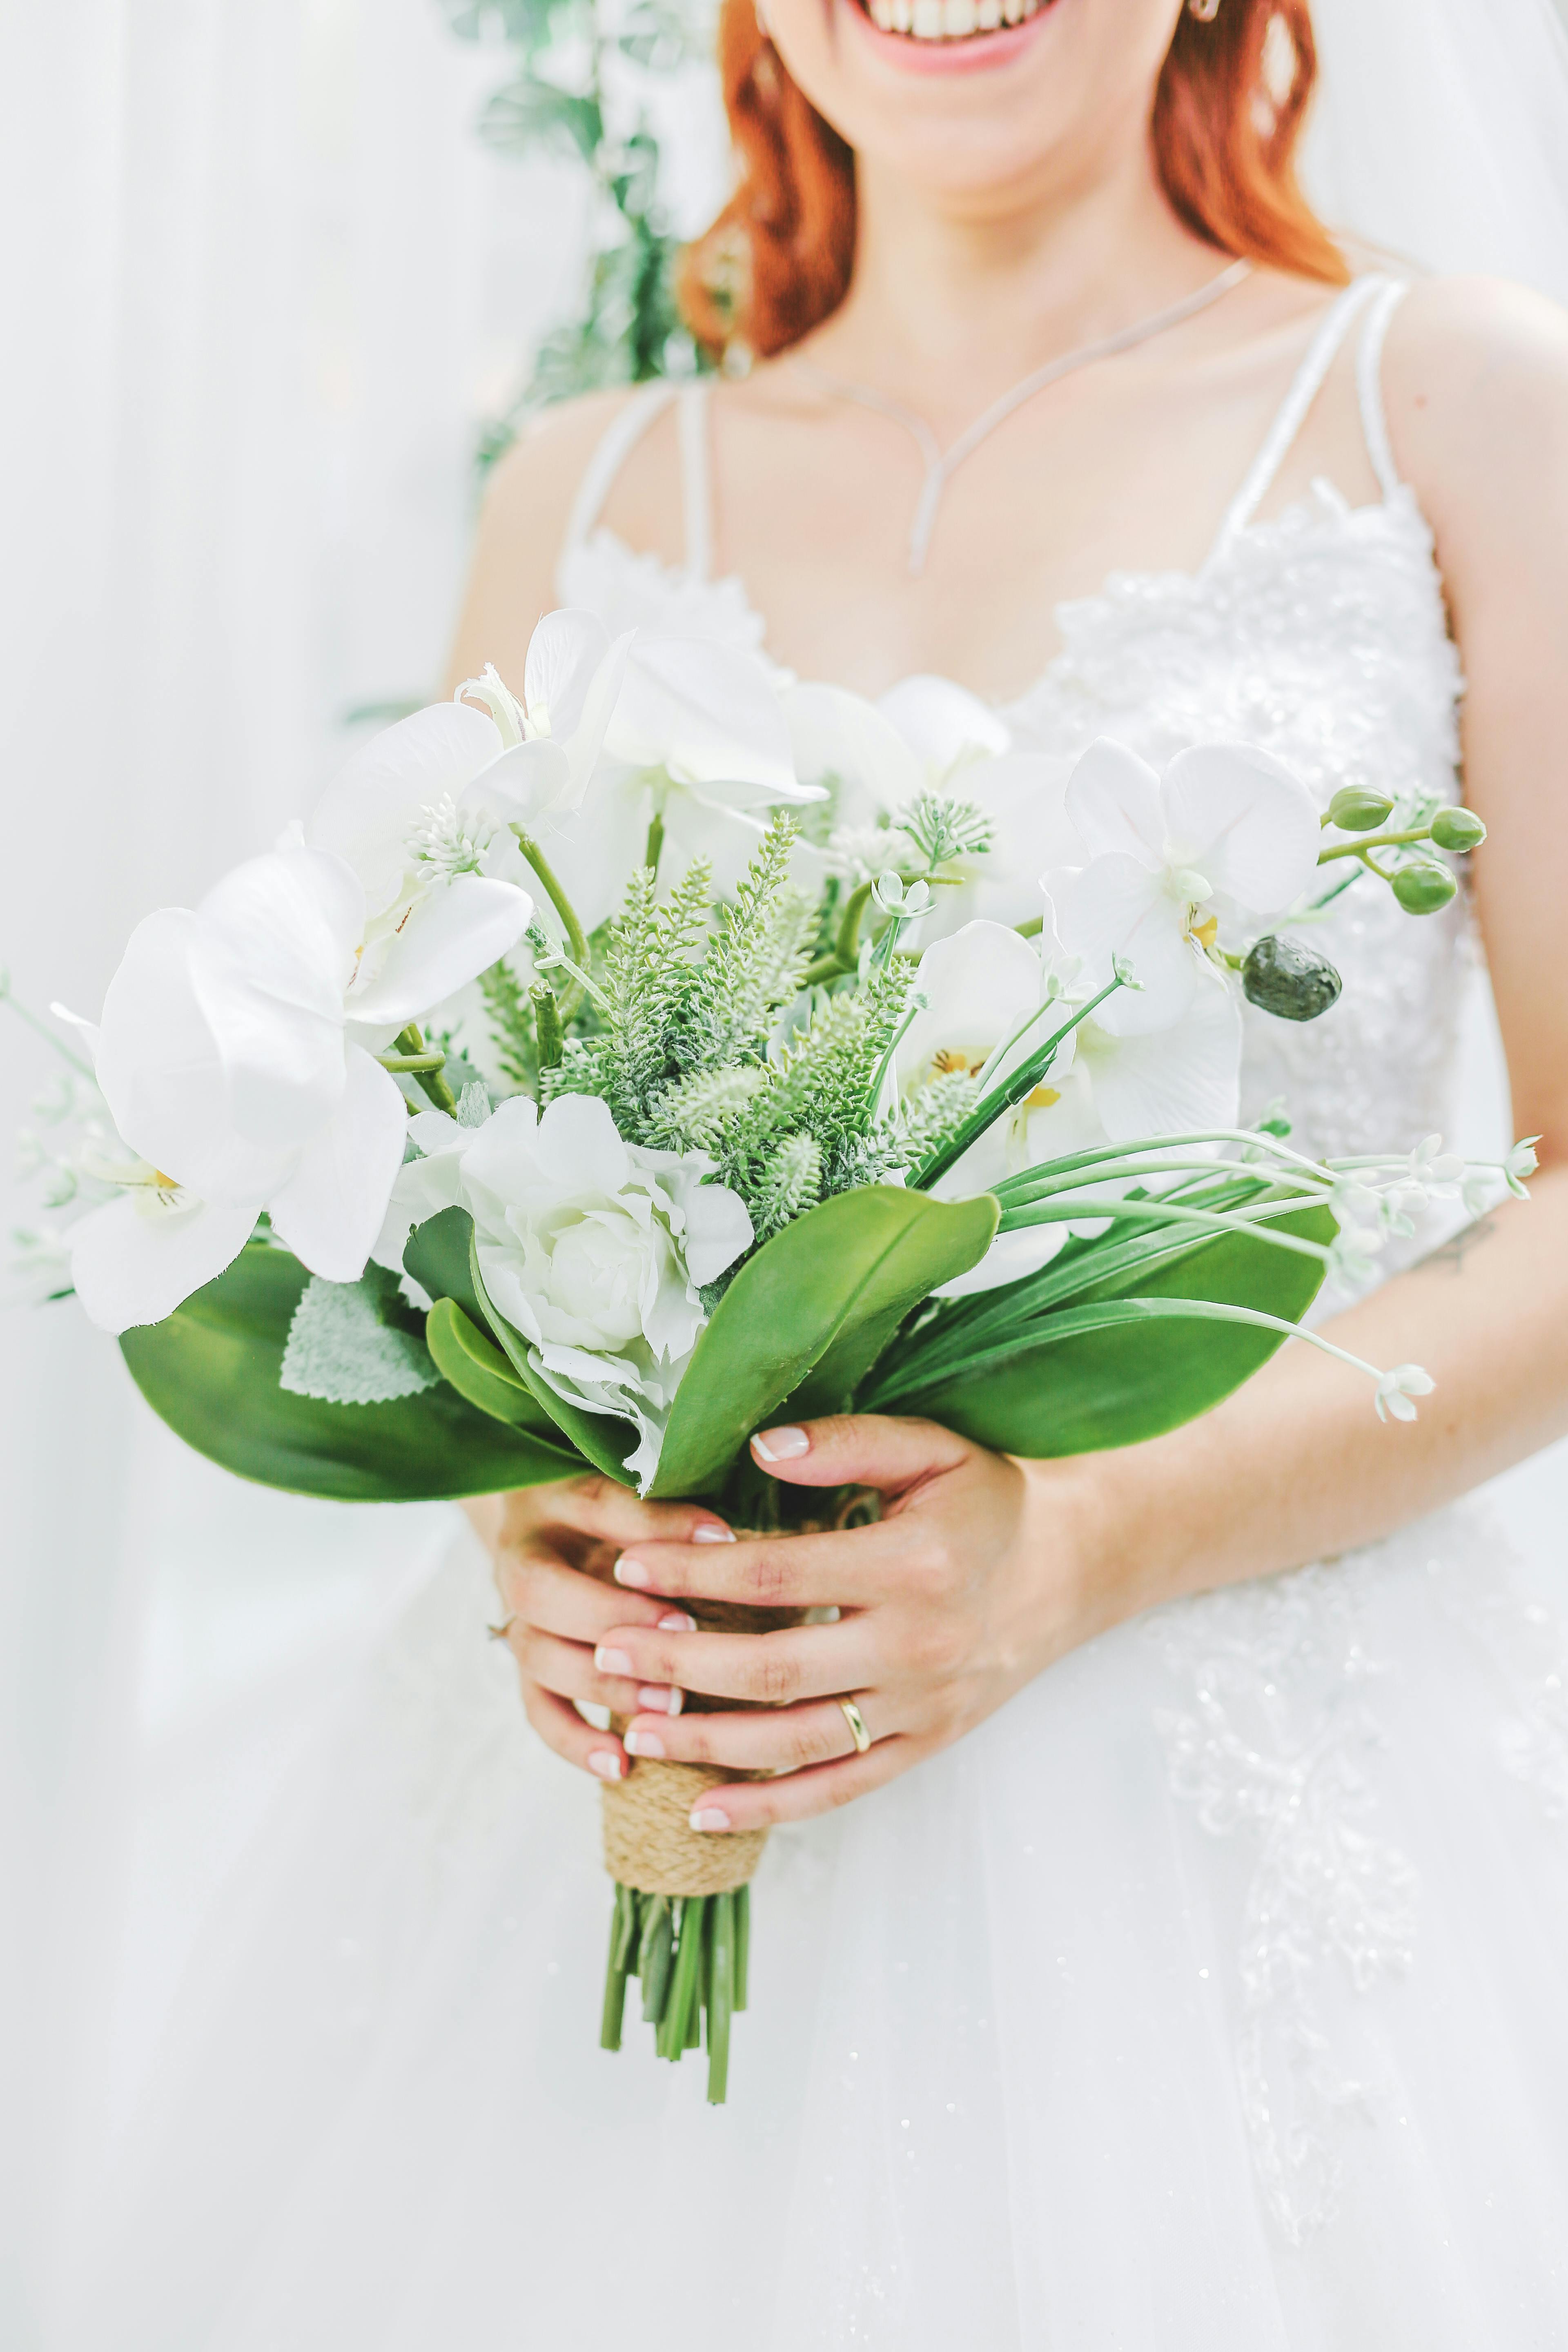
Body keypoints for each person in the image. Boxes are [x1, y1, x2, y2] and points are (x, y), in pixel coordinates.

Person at [69, 1, 1568, 2345]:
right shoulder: (577, 485)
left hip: (1251, 1789)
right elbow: (451, 1137)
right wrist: (531, 1506)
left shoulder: (1454, 402)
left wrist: (1082, 1543)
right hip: (631, 1793)